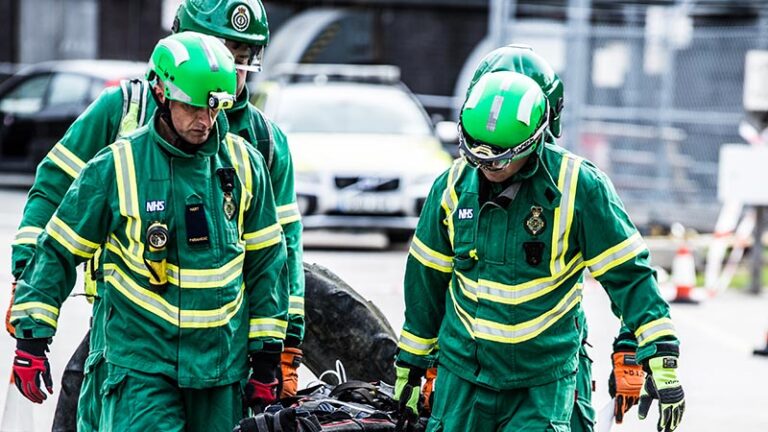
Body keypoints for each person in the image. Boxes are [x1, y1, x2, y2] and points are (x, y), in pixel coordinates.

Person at [6, 0, 303, 429]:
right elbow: (56, 207)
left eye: (243, 61)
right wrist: (27, 292)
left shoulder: (258, 149)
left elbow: (276, 257)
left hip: (222, 356)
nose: (230, 74)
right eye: (223, 52)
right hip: (134, 336)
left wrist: (278, 349)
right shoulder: (121, 125)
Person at [393, 71, 684, 431]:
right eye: (477, 156)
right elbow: (426, 283)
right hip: (463, 376)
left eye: (499, 159)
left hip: (540, 382)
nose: (487, 167)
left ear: (532, 142)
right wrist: (411, 363)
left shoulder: (579, 188)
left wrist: (659, 352)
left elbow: (630, 275)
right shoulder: (450, 187)